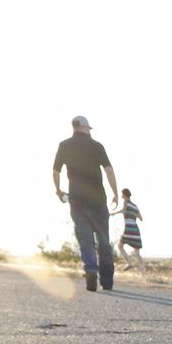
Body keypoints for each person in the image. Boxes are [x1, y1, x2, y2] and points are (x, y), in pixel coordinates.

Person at [52, 115, 118, 292]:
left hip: (76, 200)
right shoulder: (96, 146)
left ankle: (90, 269)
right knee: (104, 241)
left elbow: (56, 171)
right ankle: (107, 282)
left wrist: (58, 190)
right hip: (98, 199)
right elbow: (109, 170)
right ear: (84, 127)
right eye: (89, 128)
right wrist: (115, 193)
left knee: (85, 238)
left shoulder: (64, 145)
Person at [114, 188, 143, 275]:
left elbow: (123, 210)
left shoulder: (126, 203)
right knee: (137, 253)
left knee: (120, 246)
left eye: (122, 194)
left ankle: (129, 263)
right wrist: (133, 214)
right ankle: (143, 272)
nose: (121, 196)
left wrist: (113, 213)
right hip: (136, 229)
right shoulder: (135, 206)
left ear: (125, 195)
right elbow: (141, 219)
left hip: (128, 228)